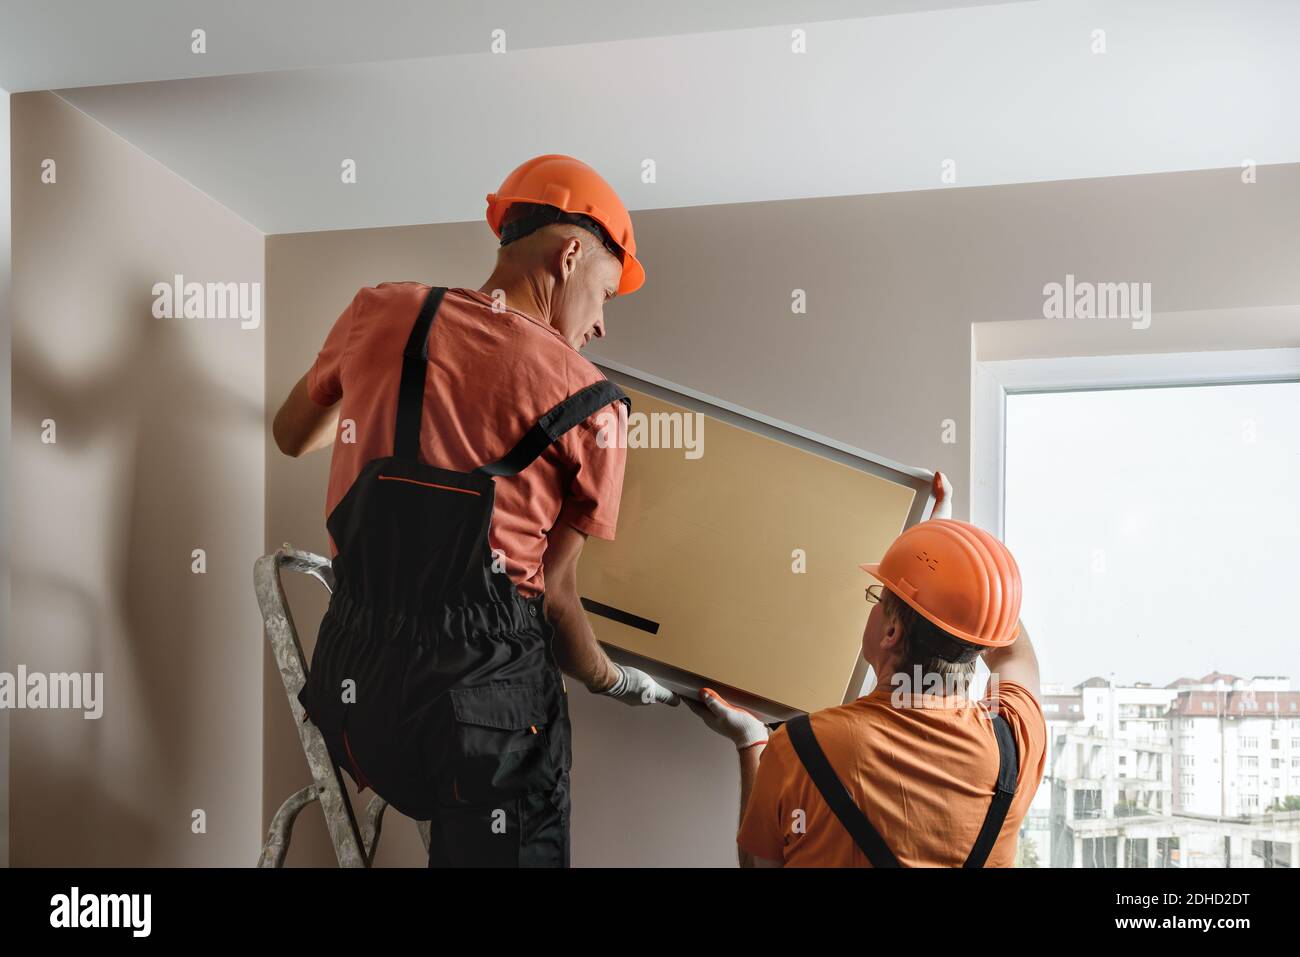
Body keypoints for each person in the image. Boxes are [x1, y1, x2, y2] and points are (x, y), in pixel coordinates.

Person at [272, 154, 677, 867]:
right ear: (571, 253)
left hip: (356, 691)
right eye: (606, 294)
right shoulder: (597, 406)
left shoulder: (381, 309)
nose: (603, 325)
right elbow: (554, 600)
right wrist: (614, 678)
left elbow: (291, 433)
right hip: (483, 715)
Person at [689, 487, 1046, 867]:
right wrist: (945, 560)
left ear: (891, 632)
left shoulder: (798, 748)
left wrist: (751, 743)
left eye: (879, 597)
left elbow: (757, 865)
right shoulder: (1014, 741)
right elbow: (1014, 651)